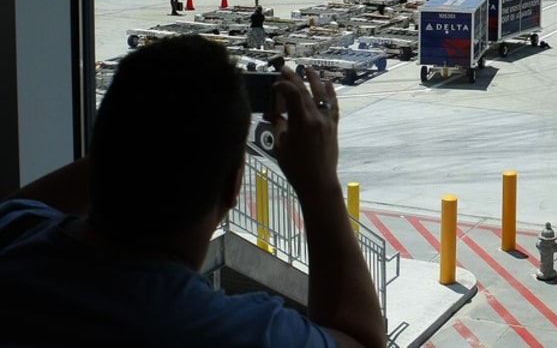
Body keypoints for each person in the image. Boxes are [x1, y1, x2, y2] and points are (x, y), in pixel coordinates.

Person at [0, 35, 386, 347]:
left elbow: (21, 205)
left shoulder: (15, 236)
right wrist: (319, 185)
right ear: (234, 187)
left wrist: (142, 130)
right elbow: (363, 340)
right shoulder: (232, 332)